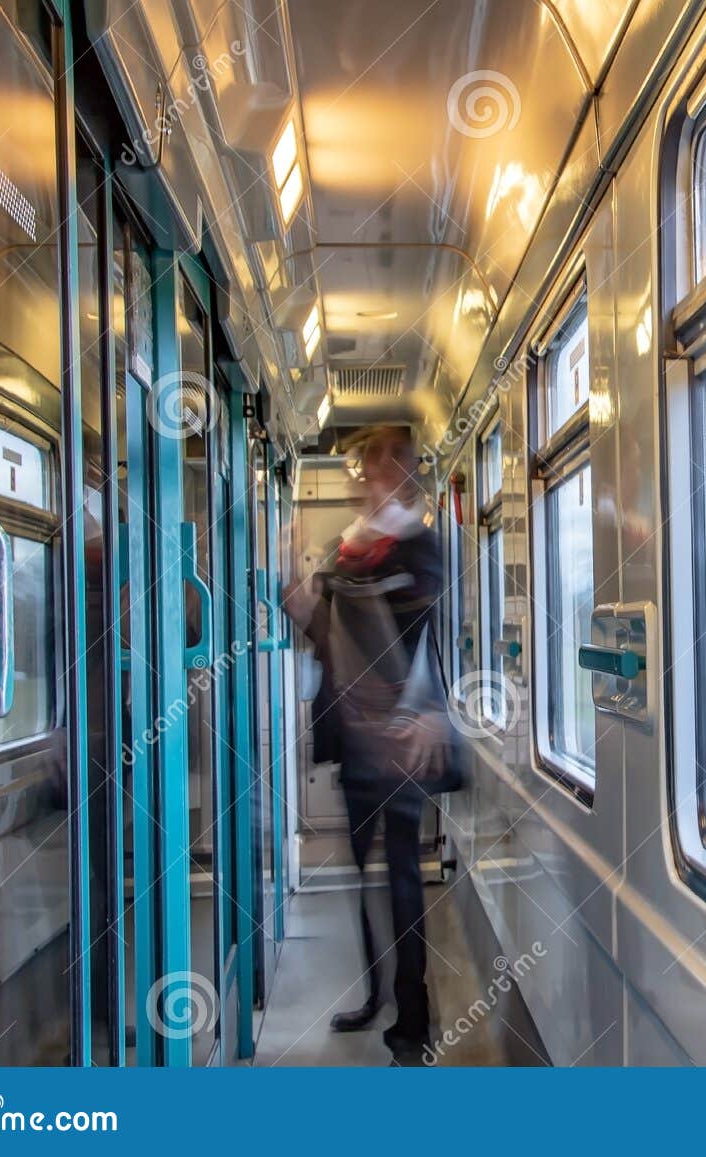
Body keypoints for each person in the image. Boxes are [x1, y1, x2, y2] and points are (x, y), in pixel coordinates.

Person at [285, 425, 444, 1064]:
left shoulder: (421, 547)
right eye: (361, 473)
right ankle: (375, 993)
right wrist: (298, 602)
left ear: (400, 478)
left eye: (373, 472)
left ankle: (413, 1021)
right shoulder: (346, 552)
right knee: (364, 877)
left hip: (407, 738)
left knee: (402, 878)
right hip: (356, 740)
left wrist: (437, 707)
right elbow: (324, 635)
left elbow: (441, 634)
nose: (363, 483)